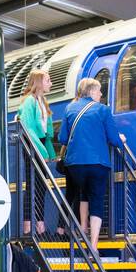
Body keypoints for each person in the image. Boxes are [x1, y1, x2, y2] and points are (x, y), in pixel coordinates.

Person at [56, 76, 124, 252]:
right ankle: (93, 244)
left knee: (83, 193)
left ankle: (82, 229)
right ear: (92, 91)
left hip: (75, 164)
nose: (101, 94)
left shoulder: (70, 108)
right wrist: (121, 139)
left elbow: (62, 138)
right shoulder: (103, 110)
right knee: (97, 200)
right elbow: (114, 139)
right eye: (99, 90)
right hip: (97, 162)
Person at [16, 68, 55, 237]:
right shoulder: (29, 102)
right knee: (32, 187)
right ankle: (27, 228)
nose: (50, 83)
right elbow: (28, 127)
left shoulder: (43, 101)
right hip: (32, 149)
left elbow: (47, 132)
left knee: (41, 188)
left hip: (40, 148)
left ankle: (40, 226)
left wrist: (49, 152)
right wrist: (43, 152)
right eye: (47, 80)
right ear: (39, 82)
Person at [55, 86, 87, 237]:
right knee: (80, 195)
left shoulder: (70, 109)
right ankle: (77, 228)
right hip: (78, 160)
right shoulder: (83, 110)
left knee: (70, 194)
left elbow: (63, 139)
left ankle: (61, 227)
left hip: (69, 160)